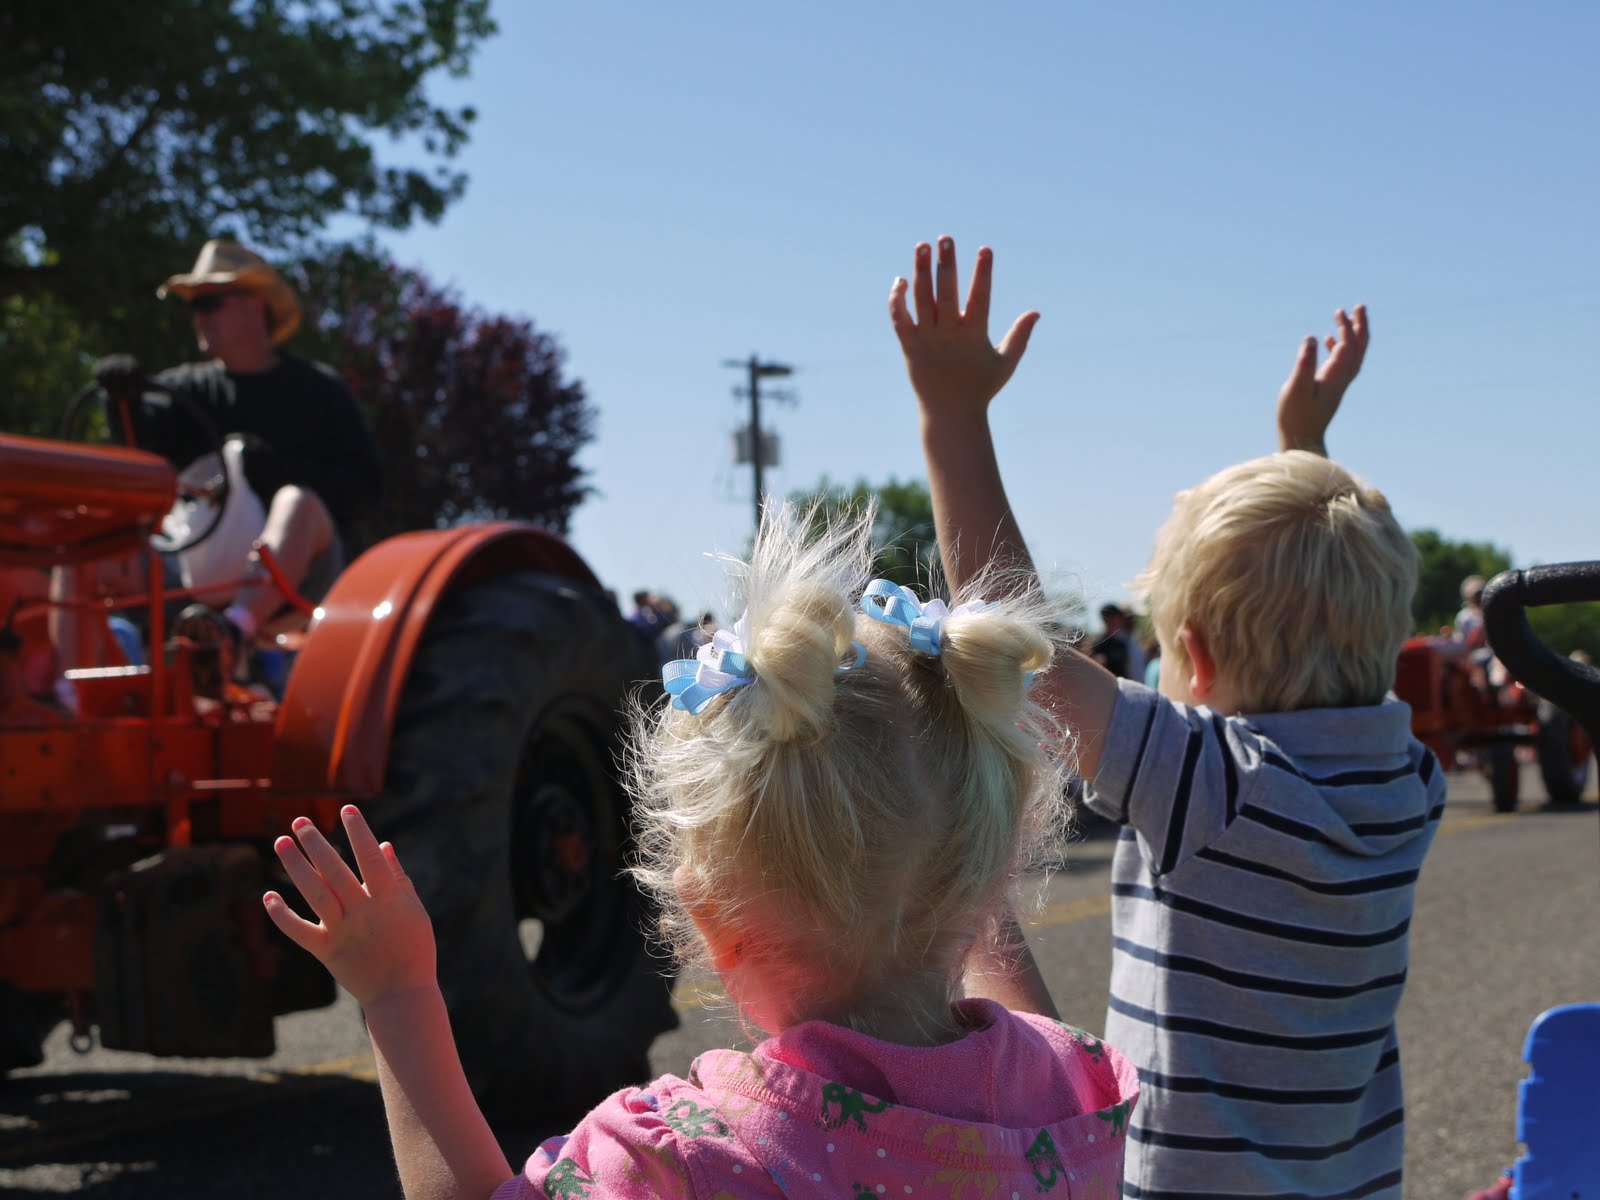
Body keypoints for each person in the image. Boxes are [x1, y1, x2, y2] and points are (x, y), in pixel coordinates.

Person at [262, 503, 1139, 1200]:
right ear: (987, 881)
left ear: (712, 920)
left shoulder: (683, 1163)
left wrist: (400, 995)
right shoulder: (1074, 1090)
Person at [892, 236, 1440, 1198]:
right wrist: (1305, 453)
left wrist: (953, 417)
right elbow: (1320, 605)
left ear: (1194, 656)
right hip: (1354, 1186)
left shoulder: (1216, 785)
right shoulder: (1406, 782)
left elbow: (1013, 635)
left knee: (979, 928)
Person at [134, 239, 382, 644]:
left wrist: (277, 472)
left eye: (209, 303)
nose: (198, 318)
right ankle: (62, 692)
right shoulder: (180, 393)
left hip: (299, 587)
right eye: (194, 306)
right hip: (192, 571)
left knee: (296, 501)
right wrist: (121, 400)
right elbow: (137, 455)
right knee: (91, 532)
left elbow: (365, 491)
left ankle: (233, 634)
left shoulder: (319, 392)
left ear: (255, 305)